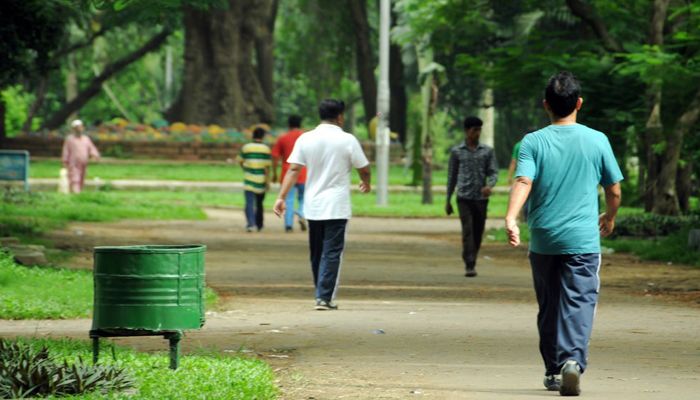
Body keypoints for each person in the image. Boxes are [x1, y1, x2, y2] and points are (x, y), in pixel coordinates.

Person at [505, 71, 623, 396]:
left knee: (550, 304)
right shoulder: (597, 139)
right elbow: (613, 190)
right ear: (579, 103)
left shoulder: (533, 142)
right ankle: (571, 360)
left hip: (544, 239)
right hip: (582, 240)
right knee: (579, 300)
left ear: (546, 105)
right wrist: (610, 218)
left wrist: (511, 217)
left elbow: (523, 181)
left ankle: (552, 370)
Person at [273, 99, 371, 311]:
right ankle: (324, 297)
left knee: (317, 252)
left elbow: (293, 169)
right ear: (340, 117)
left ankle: (321, 292)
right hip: (337, 206)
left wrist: (281, 197)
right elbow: (363, 167)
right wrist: (366, 181)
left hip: (313, 205)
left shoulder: (306, 138)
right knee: (332, 252)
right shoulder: (348, 140)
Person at [445, 116, 498, 278]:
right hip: (463, 197)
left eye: (479, 130)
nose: (477, 133)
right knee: (467, 230)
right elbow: (451, 176)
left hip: (481, 198)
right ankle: (470, 263)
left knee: (478, 231)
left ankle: (471, 254)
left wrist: (490, 185)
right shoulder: (457, 152)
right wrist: (447, 200)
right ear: (467, 131)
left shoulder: (487, 151)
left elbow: (493, 172)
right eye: (475, 130)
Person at [271, 115, 307, 233]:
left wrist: (274, 173)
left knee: (288, 199)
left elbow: (275, 156)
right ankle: (301, 213)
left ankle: (288, 225)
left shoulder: (283, 138)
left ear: (289, 124)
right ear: (300, 124)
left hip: (288, 173)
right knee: (303, 198)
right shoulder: (305, 137)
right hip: (304, 173)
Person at [239, 127, 272, 232]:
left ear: (253, 135)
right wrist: (267, 181)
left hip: (249, 179)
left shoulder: (246, 148)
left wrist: (245, 168)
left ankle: (250, 224)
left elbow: (240, 161)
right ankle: (259, 224)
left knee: (249, 203)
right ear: (263, 136)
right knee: (259, 203)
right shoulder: (266, 149)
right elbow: (267, 168)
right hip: (261, 180)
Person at [61, 119, 100, 194]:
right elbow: (66, 151)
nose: (79, 129)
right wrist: (65, 161)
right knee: (75, 179)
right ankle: (76, 193)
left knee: (82, 178)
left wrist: (95, 155)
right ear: (74, 129)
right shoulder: (70, 139)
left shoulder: (86, 139)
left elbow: (91, 148)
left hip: (84, 163)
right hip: (73, 163)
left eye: (80, 127)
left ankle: (78, 194)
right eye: (77, 127)